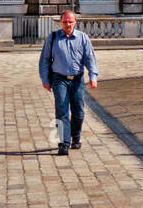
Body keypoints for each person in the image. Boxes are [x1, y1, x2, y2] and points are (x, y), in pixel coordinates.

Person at [39, 10, 98, 157]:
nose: (68, 24)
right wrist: (45, 79)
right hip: (59, 79)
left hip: (77, 79)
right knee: (61, 111)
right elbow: (44, 60)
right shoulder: (53, 38)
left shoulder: (83, 38)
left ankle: (75, 136)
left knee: (78, 112)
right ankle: (63, 143)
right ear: (61, 22)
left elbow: (90, 58)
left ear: (75, 22)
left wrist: (93, 76)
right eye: (65, 22)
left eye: (70, 22)